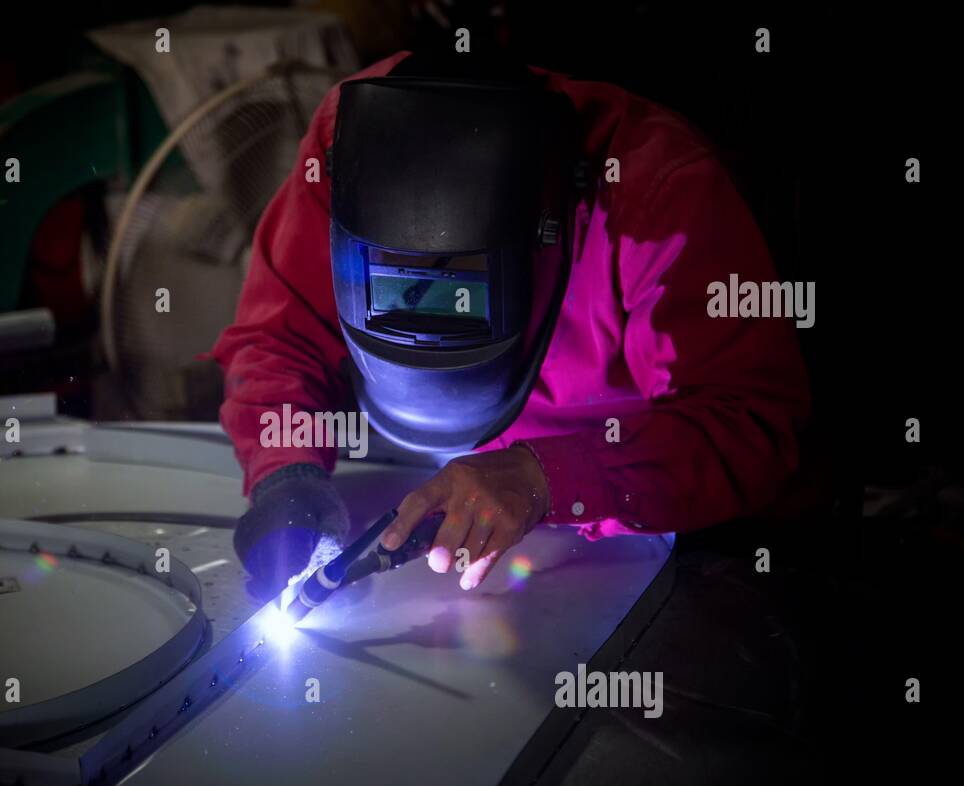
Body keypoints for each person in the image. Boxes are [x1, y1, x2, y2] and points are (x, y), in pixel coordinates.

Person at [209, 50, 814, 601]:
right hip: (434, 494)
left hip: (631, 528)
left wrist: (546, 475)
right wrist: (286, 474)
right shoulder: (350, 138)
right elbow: (278, 337)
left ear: (548, 229)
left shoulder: (656, 188)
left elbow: (750, 422)